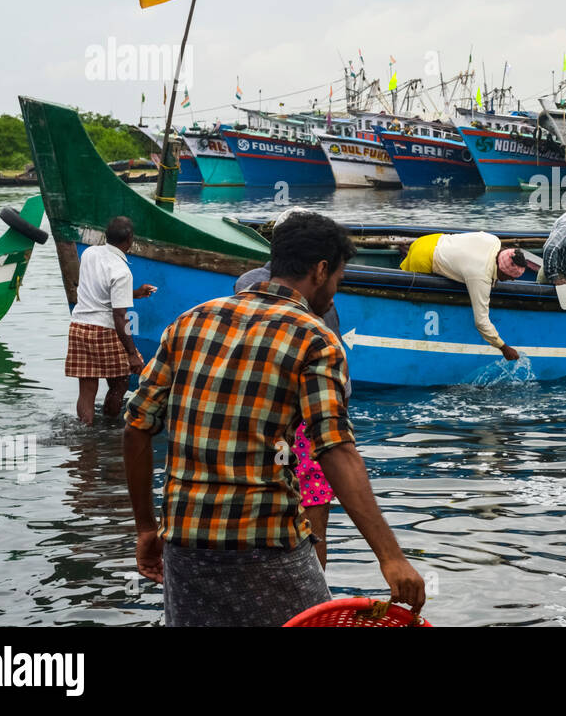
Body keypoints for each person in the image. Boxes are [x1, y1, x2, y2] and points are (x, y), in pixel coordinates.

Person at [123, 210, 425, 626]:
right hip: (264, 539)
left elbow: (137, 426)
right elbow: (335, 447)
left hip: (185, 539)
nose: (335, 292)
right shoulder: (315, 338)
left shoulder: (189, 321)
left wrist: (145, 527)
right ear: (320, 271)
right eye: (338, 278)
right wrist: (391, 557)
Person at [233, 207, 346, 569]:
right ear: (321, 268)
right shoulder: (319, 308)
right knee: (314, 532)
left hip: (254, 426)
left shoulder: (245, 285)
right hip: (302, 429)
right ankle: (315, 602)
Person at [65, 216, 155, 425]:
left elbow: (100, 291)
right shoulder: (122, 271)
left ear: (107, 235)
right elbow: (119, 315)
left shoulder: (89, 253)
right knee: (120, 383)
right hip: (103, 329)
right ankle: (109, 426)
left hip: (79, 326)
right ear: (130, 239)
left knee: (87, 389)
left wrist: (134, 293)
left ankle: (85, 431)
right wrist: (132, 354)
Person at [399, 232, 526, 362]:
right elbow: (481, 322)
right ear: (501, 271)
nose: (511, 281)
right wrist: (503, 347)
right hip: (423, 259)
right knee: (409, 294)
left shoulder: (493, 240)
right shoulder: (480, 277)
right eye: (510, 278)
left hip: (429, 240)